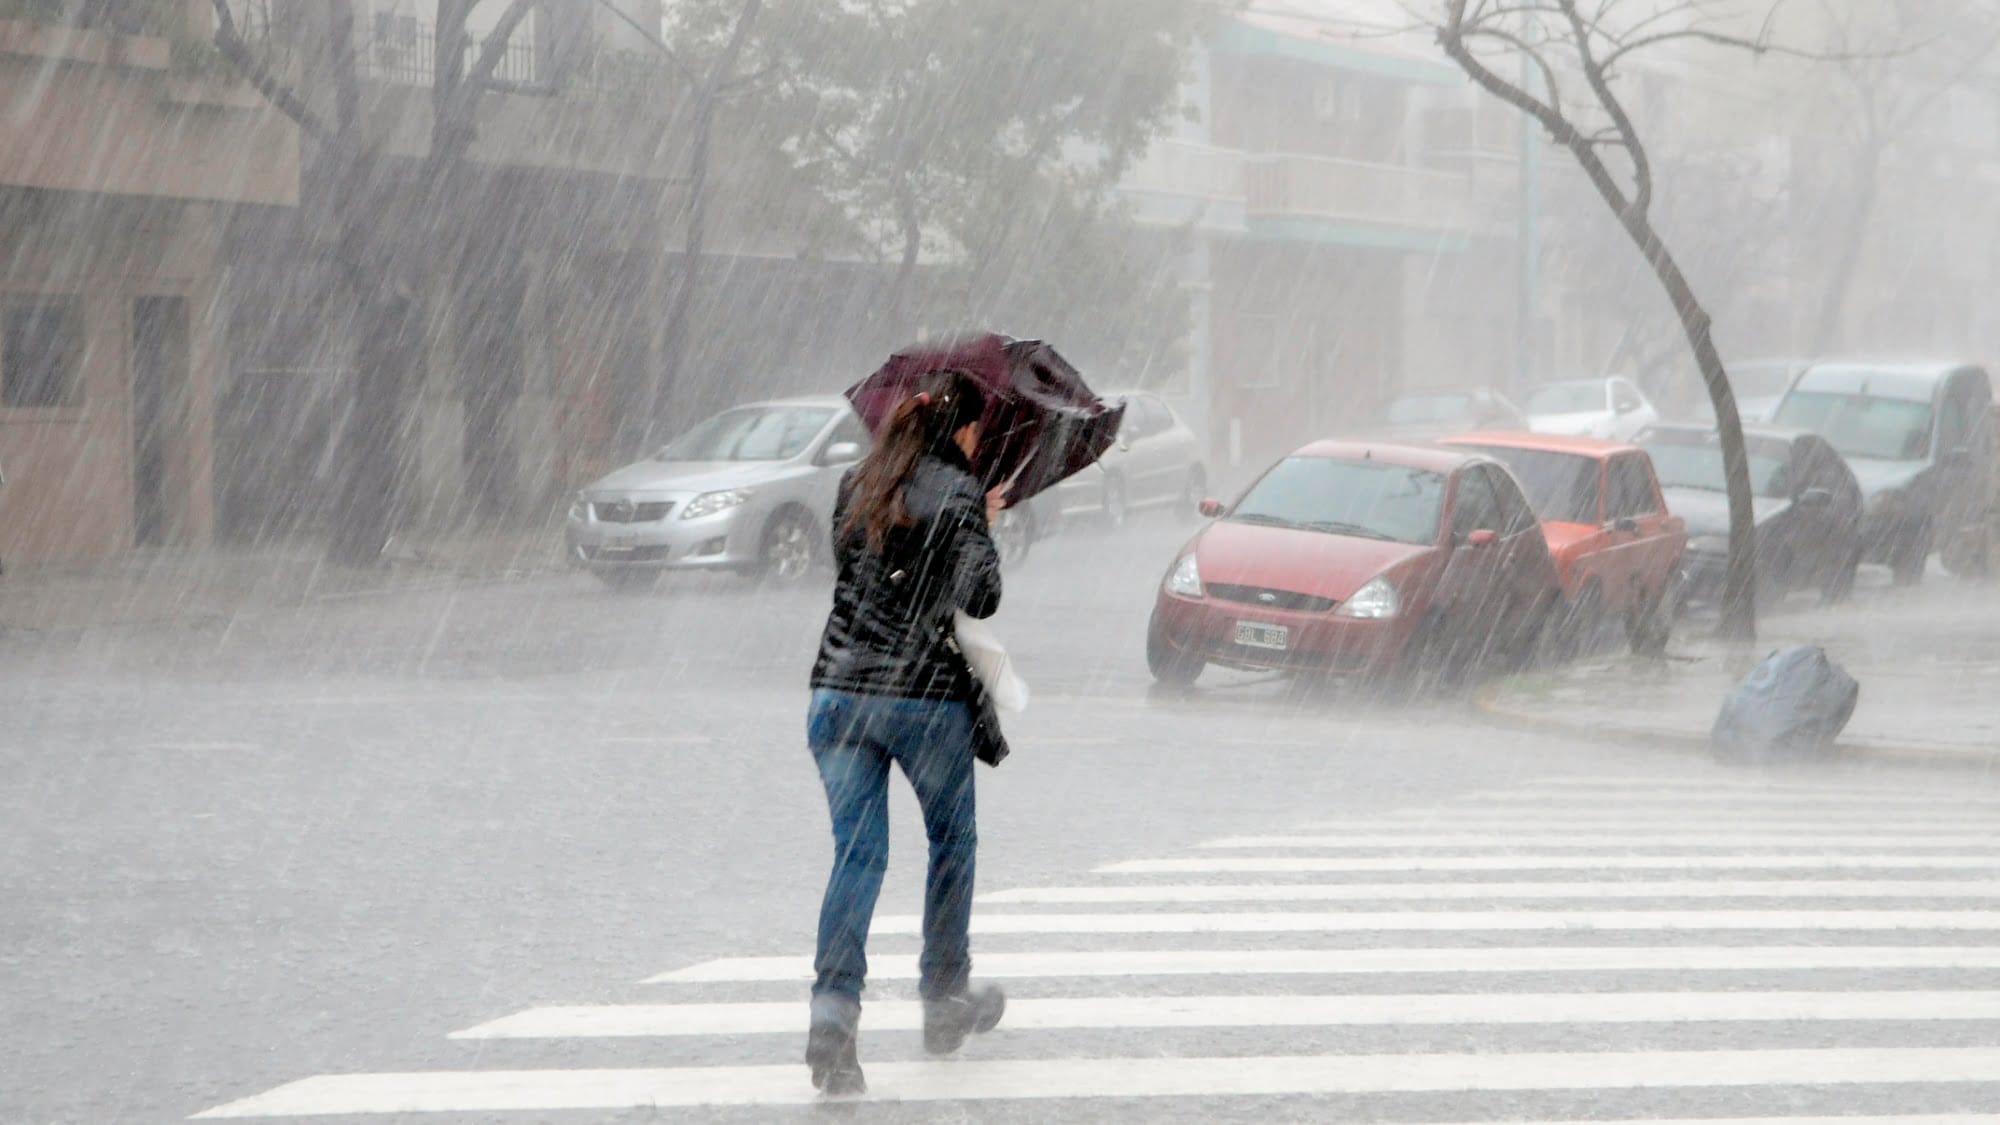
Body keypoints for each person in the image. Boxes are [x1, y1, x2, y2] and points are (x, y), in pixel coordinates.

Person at [804, 368, 1008, 1095]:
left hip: (838, 693)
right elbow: (981, 593)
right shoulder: (958, 491)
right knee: (951, 842)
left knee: (857, 857)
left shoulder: (855, 482)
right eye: (978, 432)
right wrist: (979, 523)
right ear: (964, 430)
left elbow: (855, 570)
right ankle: (944, 996)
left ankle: (833, 1015)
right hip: (922, 699)